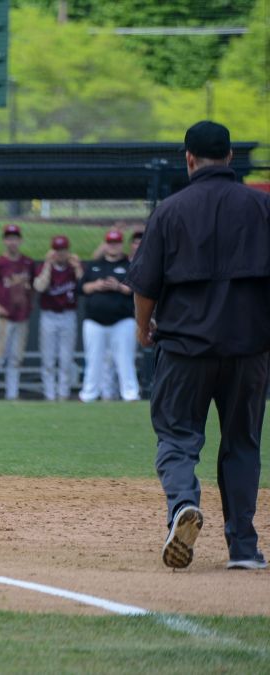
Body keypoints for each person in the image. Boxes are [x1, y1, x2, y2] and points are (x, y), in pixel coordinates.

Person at [128, 121, 270, 570]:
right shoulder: (262, 207)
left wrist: (143, 327)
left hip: (185, 347)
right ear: (231, 157)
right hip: (249, 348)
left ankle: (183, 506)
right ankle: (244, 549)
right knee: (243, 444)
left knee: (176, 436)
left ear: (188, 158)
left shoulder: (170, 211)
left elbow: (146, 282)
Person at [78, 230, 139, 402]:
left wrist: (117, 286)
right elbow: (82, 288)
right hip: (94, 321)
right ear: (105, 244)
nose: (113, 245)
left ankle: (130, 394)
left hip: (122, 320)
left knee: (125, 359)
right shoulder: (95, 265)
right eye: (110, 242)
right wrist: (97, 285)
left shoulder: (129, 265)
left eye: (117, 242)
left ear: (121, 244)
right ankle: (89, 394)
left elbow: (135, 288)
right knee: (93, 359)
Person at [0, 224, 35, 400]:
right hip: (2, 316)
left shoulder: (28, 262)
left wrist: (29, 304)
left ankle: (13, 395)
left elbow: (33, 286)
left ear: (20, 240)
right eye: (9, 238)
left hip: (21, 316)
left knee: (16, 358)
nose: (12, 242)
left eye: (15, 238)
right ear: (4, 241)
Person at [33, 235, 83, 401]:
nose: (60, 253)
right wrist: (48, 264)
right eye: (57, 250)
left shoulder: (73, 267)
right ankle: (49, 394)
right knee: (48, 358)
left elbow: (83, 283)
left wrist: (77, 267)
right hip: (49, 316)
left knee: (66, 358)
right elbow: (40, 287)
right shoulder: (45, 267)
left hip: (68, 315)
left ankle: (63, 394)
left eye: (63, 250)